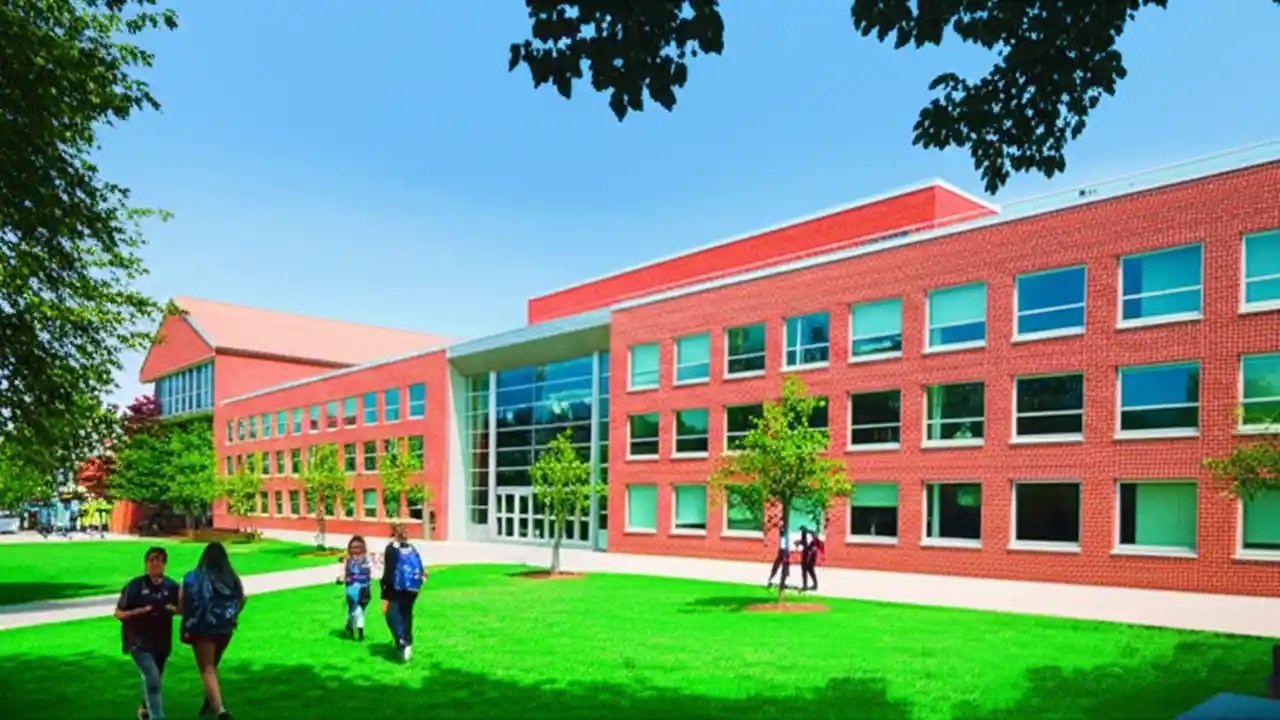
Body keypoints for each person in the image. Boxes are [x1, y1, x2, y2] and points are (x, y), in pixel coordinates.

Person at [179, 542, 246, 720]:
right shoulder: (231, 577)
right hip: (225, 629)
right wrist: (232, 616)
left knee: (207, 668)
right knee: (212, 666)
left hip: (202, 628)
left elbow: (183, 604)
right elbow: (241, 599)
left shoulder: (192, 577)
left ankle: (221, 711)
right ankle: (210, 702)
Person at [115, 546, 180, 720]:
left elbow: (182, 609)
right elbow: (119, 614)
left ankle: (144, 709)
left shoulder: (172, 586)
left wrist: (172, 609)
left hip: (161, 643)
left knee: (155, 679)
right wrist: (140, 611)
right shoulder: (135, 586)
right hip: (137, 641)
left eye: (158, 560)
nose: (154, 564)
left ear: (164, 564)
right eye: (150, 560)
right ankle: (157, 716)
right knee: (152, 676)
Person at [380, 523, 426, 662]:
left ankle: (401, 642)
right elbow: (420, 569)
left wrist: (384, 592)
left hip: (396, 588)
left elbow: (389, 571)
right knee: (406, 614)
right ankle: (408, 642)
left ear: (393, 533)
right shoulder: (411, 548)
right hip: (411, 589)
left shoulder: (391, 549)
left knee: (392, 615)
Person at [341, 535, 373, 641]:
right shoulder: (363, 559)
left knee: (355, 609)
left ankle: (353, 627)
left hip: (359, 589)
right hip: (359, 589)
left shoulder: (352, 560)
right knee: (357, 609)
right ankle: (357, 630)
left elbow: (346, 575)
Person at [798, 526, 825, 593]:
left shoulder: (816, 542)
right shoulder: (811, 542)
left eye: (813, 535)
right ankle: (805, 585)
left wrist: (815, 551)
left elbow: (820, 548)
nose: (812, 536)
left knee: (811, 572)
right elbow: (804, 543)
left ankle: (814, 585)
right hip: (806, 558)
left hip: (810, 559)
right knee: (805, 572)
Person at [766, 525, 791, 591]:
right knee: (777, 568)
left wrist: (783, 556)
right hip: (783, 555)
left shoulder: (783, 538)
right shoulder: (784, 537)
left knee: (779, 569)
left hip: (783, 555)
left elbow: (784, 548)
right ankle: (773, 581)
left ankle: (780, 583)